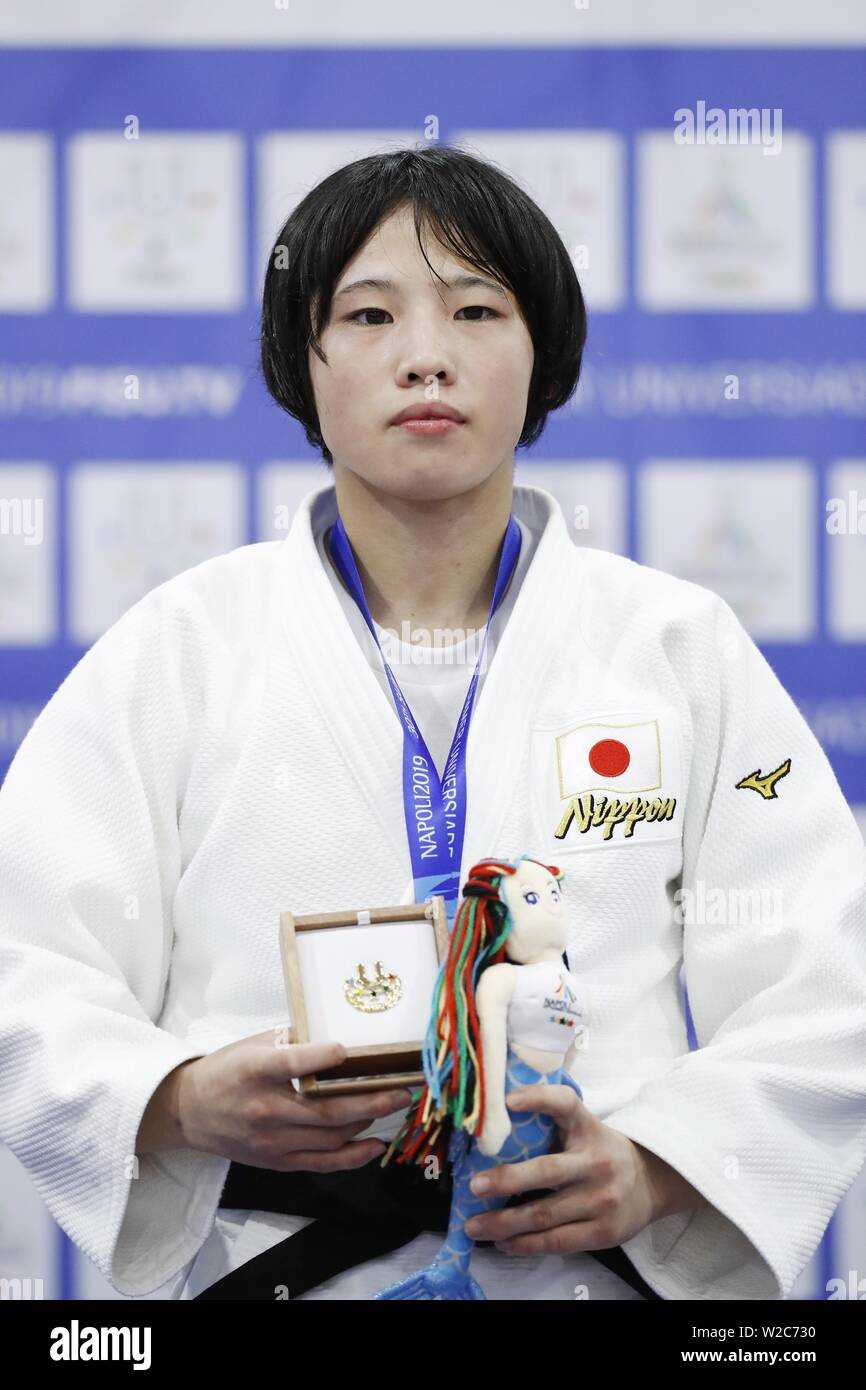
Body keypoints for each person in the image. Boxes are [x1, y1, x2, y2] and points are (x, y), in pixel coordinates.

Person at [1, 146, 865, 1302]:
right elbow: (23, 960)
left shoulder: (676, 647)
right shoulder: (182, 650)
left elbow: (829, 977)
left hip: (585, 1272)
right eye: (366, 314)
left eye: (474, 308)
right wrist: (175, 1094)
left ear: (540, 353)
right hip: (271, 1265)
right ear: (296, 364)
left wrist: (659, 1166)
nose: (425, 357)